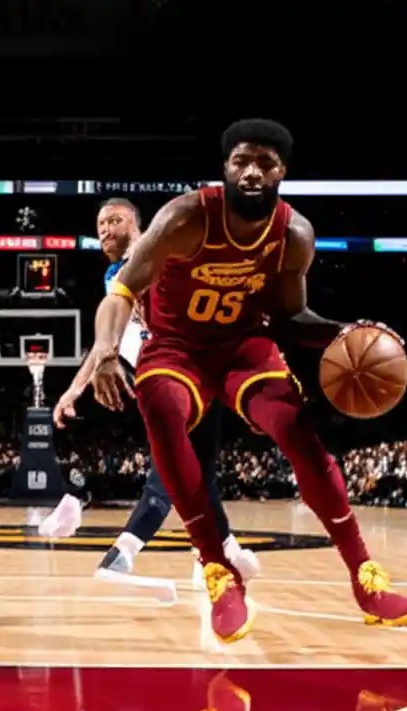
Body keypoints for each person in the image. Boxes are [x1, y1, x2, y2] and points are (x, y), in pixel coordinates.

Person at [86, 119, 407, 644]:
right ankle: (218, 570)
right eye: (241, 161)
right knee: (161, 407)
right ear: (225, 168)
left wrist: (350, 332)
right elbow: (122, 290)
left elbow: (291, 318)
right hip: (176, 348)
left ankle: (366, 578)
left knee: (297, 431)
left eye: (265, 163)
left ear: (281, 172)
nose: (252, 171)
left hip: (244, 346)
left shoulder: (294, 235)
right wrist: (106, 352)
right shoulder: (183, 217)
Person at [44, 198, 259, 588]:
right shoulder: (116, 277)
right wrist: (74, 388)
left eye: (114, 220)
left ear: (137, 227)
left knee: (184, 475)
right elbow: (103, 343)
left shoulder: (164, 256)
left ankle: (188, 550)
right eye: (99, 224)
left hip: (189, 376)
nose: (105, 229)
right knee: (71, 415)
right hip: (144, 375)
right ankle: (81, 500)